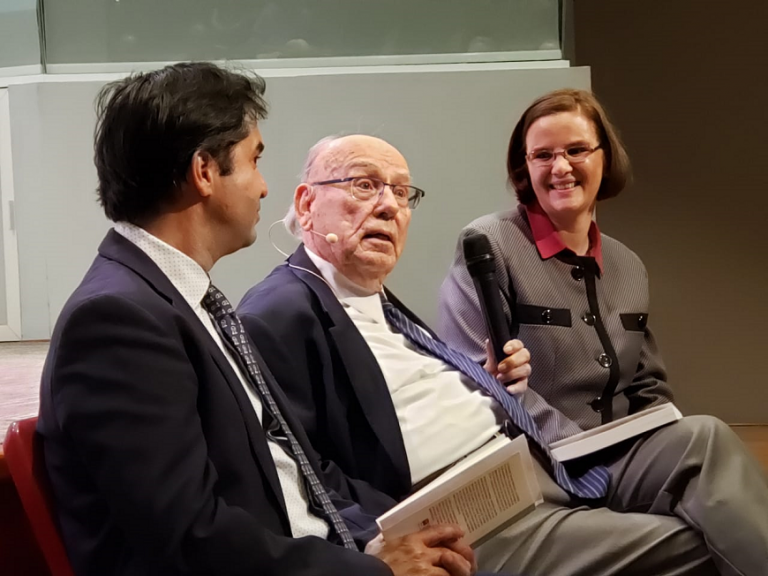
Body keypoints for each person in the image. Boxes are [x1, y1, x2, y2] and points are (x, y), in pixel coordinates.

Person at [36, 63, 479, 576]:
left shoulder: (183, 300)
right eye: (255, 160)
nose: (264, 188)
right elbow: (190, 539)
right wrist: (375, 570)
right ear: (205, 172)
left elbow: (299, 473)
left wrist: (394, 535)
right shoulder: (117, 321)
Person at [237, 132, 724, 576]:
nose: (388, 207)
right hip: (471, 517)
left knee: (706, 439)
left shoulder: (375, 298)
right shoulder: (279, 312)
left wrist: (480, 382)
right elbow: (296, 470)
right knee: (706, 538)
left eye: (401, 193)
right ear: (307, 204)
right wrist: (379, 546)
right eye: (364, 185)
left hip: (536, 466)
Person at [437, 88, 768, 575]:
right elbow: (472, 374)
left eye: (576, 150)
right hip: (538, 465)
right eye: (543, 155)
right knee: (710, 532)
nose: (560, 167)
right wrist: (576, 448)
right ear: (524, 167)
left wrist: (654, 432)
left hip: (618, 458)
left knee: (706, 440)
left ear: (604, 158)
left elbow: (647, 386)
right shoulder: (490, 243)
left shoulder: (628, 265)